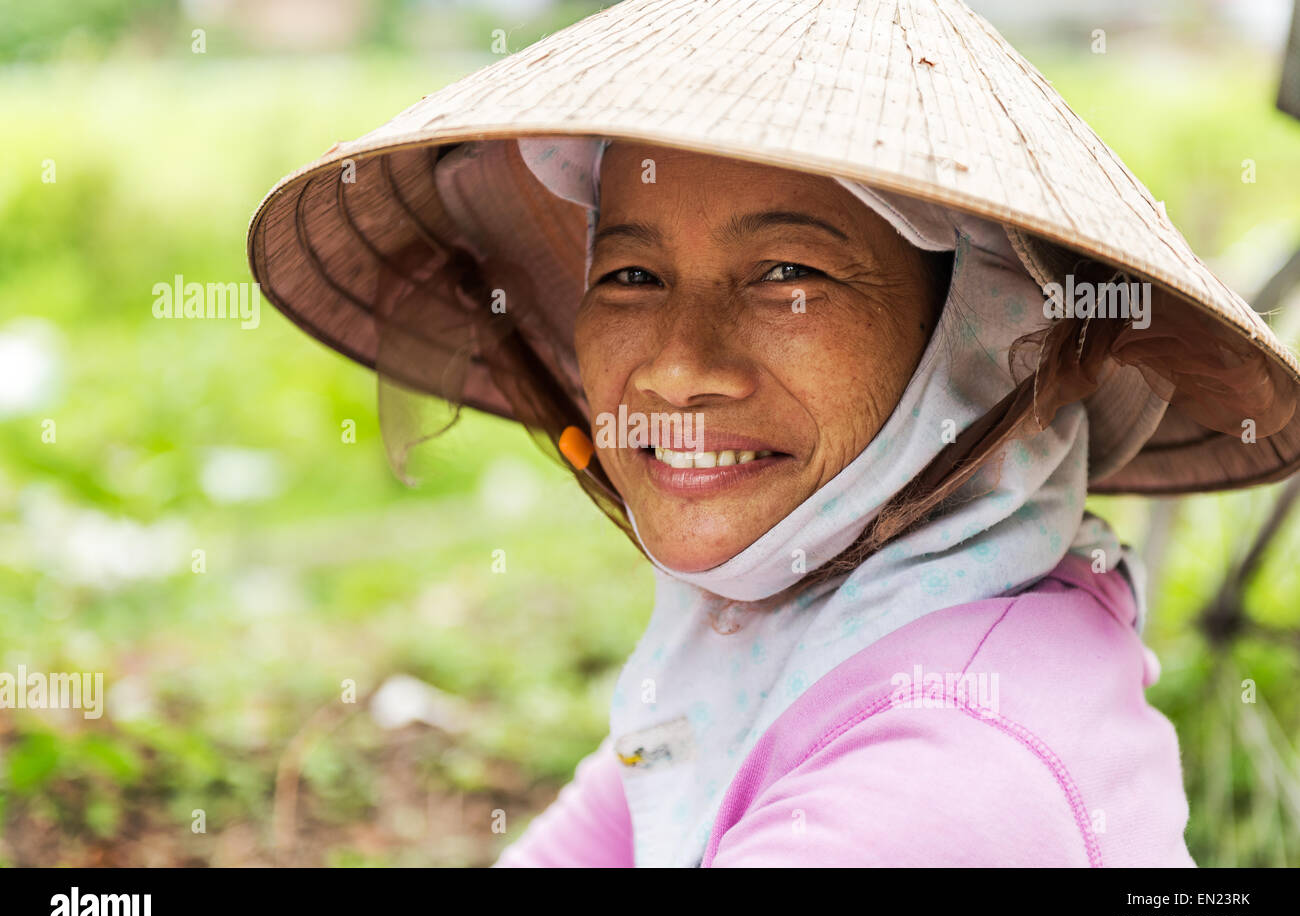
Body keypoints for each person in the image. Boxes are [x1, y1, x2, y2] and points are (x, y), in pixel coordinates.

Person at [246, 0, 1300, 866]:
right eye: (629, 275)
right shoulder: (775, 640)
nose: (672, 365)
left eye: (788, 274)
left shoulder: (948, 778)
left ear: (974, 344)